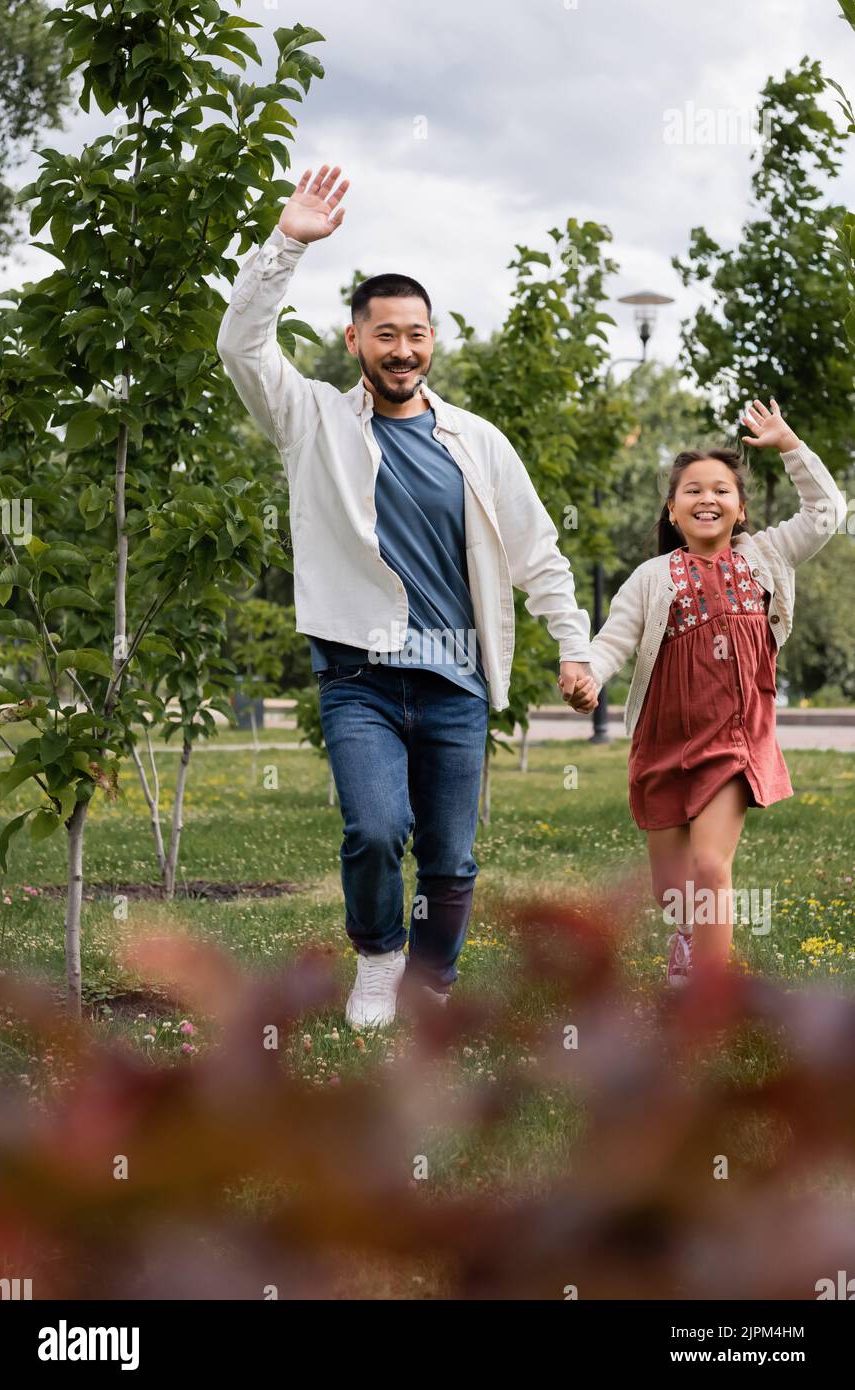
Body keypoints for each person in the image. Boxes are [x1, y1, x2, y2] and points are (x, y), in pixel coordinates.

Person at [216, 164, 597, 1026]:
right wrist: (284, 246)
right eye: (384, 334)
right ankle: (379, 958)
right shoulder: (312, 421)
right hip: (358, 675)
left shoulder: (478, 442)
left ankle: (432, 983)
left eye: (415, 335)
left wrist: (573, 646)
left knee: (450, 856)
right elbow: (241, 345)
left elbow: (537, 552)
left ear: (433, 342)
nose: (402, 351)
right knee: (376, 829)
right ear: (354, 340)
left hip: (456, 680)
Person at [587, 399, 846, 985]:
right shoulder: (652, 578)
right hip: (663, 744)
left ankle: (708, 996)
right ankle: (687, 931)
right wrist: (587, 677)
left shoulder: (767, 556)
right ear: (673, 510)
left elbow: (827, 511)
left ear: (741, 509)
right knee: (672, 891)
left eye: (722, 490)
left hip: (734, 741)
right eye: (693, 490)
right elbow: (613, 640)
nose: (708, 498)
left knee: (710, 867)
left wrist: (789, 445)